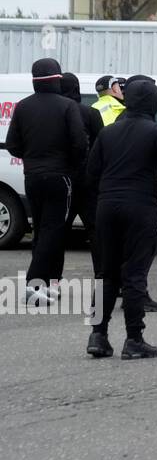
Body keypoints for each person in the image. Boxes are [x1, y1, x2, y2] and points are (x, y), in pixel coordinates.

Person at [84, 79, 157, 359]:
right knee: (135, 273)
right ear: (152, 103)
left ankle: (98, 335)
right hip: (140, 206)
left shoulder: (109, 133)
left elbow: (91, 172)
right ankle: (134, 339)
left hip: (107, 206)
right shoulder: (155, 131)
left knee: (106, 273)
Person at [5, 59, 87, 304]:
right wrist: (71, 165)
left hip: (31, 176)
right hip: (60, 176)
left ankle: (46, 282)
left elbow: (12, 145)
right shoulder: (67, 106)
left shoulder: (23, 107)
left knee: (41, 229)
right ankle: (33, 284)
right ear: (57, 78)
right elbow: (80, 143)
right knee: (54, 230)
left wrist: (31, 158)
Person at [60, 73, 104, 272]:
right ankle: (104, 280)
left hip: (63, 180)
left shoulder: (57, 113)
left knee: (58, 233)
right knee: (96, 233)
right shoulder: (90, 113)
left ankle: (53, 280)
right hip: (88, 182)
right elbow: (101, 147)